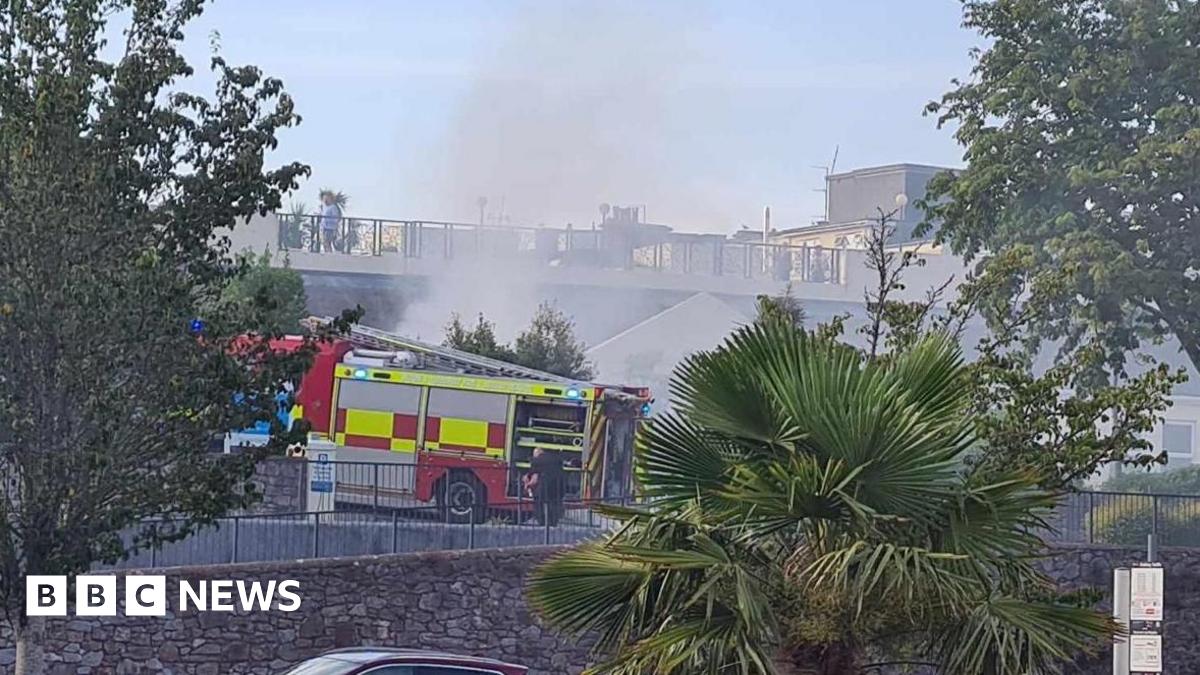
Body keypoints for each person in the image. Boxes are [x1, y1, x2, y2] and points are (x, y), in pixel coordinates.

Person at [524, 447, 564, 526]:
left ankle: (542, 521)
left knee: (539, 502)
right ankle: (553, 522)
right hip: (559, 485)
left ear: (537, 453)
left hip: (546, 486)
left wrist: (527, 481)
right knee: (554, 503)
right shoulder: (556, 459)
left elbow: (533, 476)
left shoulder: (537, 461)